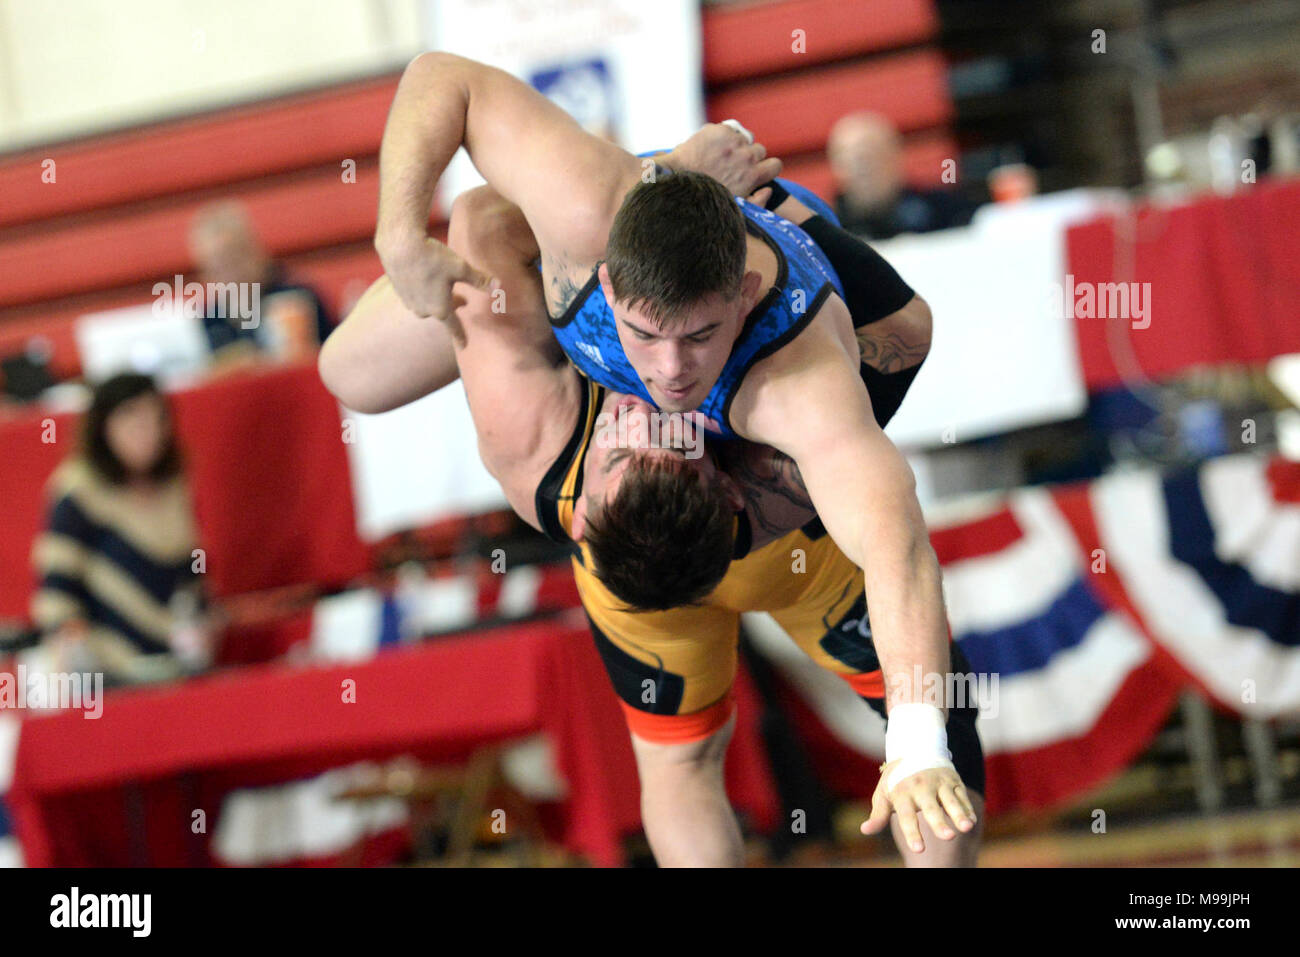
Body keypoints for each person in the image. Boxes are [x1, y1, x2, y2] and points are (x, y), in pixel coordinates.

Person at [321, 125, 983, 866]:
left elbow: (478, 214)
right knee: (936, 717)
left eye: (630, 441)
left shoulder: (533, 441)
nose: (650, 408)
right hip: (800, 552)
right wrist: (918, 742)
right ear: (724, 479)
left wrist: (410, 237)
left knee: (352, 371)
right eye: (672, 439)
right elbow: (897, 540)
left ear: (591, 506)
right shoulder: (785, 436)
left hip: (641, 589)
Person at [30, 373, 212, 685]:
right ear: (104, 430)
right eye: (134, 425)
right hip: (108, 669)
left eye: (156, 421)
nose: (149, 434)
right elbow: (56, 591)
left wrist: (203, 619)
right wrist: (75, 665)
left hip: (176, 660)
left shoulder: (174, 484)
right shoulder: (79, 489)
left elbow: (192, 566)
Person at [187, 200, 335, 366]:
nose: (230, 273)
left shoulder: (296, 298)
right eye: (217, 266)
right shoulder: (210, 318)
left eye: (235, 258)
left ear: (256, 251)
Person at [827, 111, 977, 239]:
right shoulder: (828, 229)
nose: (863, 168)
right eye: (852, 158)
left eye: (872, 155)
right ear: (835, 166)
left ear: (896, 156)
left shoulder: (942, 209)